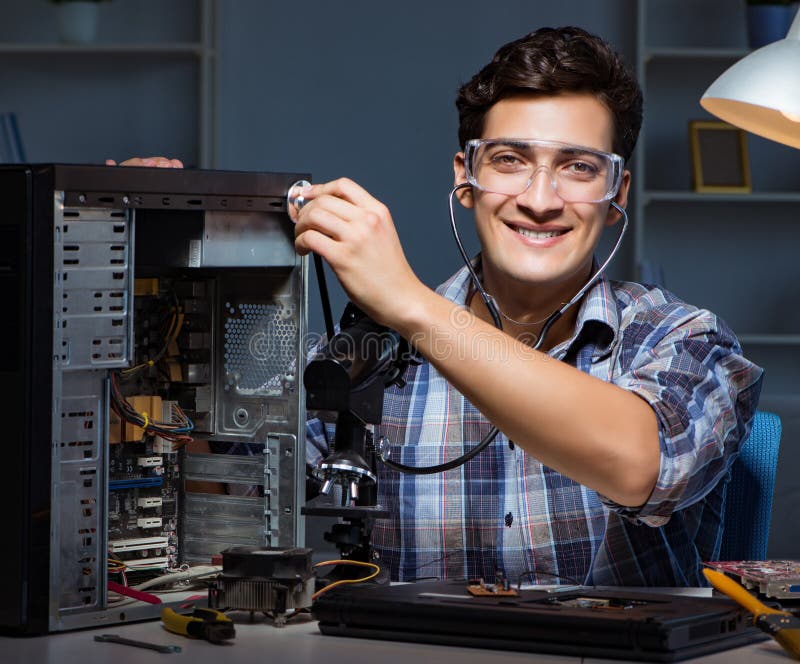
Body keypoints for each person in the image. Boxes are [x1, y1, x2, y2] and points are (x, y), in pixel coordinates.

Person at [297, 26, 763, 587]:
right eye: (510, 159)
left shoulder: (683, 340)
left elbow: (644, 465)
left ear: (616, 194)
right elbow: (228, 479)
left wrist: (410, 305)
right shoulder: (362, 354)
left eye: (579, 167)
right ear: (465, 178)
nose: (540, 201)